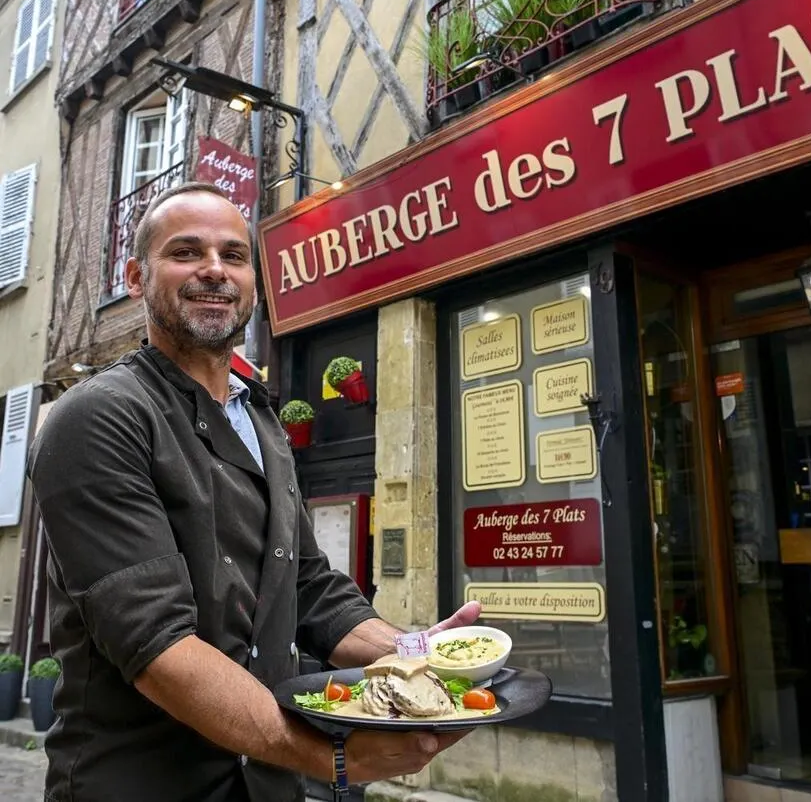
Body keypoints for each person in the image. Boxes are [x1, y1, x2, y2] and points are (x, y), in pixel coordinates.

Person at [27, 182, 478, 802]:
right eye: (186, 252)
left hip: (265, 785)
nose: (214, 270)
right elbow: (158, 645)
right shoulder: (101, 416)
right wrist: (332, 757)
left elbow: (309, 587)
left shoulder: (261, 419)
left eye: (234, 256)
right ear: (136, 277)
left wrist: (422, 655)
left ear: (253, 284)